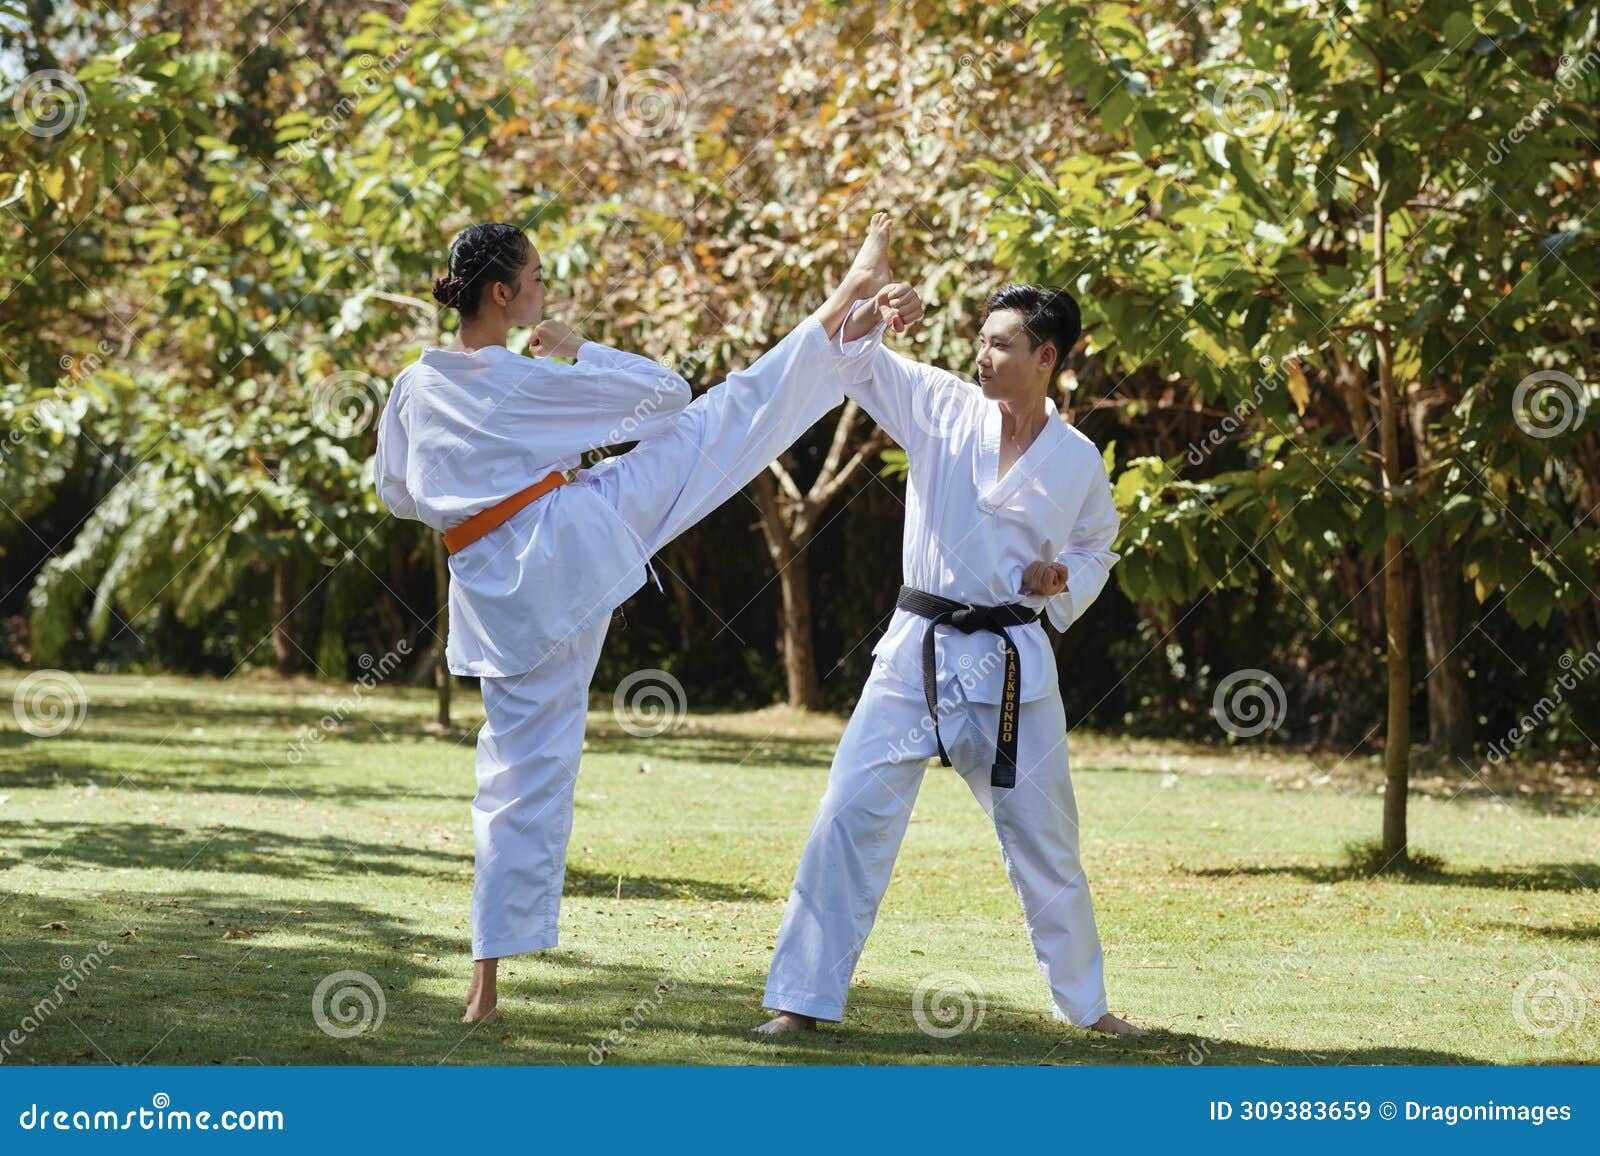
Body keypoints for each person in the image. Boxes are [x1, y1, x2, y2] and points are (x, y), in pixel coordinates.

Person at [375, 214, 900, 1022]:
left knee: (512, 781)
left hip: (489, 589)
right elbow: (667, 395)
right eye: (538, 278)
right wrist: (578, 348)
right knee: (713, 423)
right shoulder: (523, 378)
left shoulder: (415, 385)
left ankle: (484, 990)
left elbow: (400, 492)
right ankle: (843, 317)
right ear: (505, 293)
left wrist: (500, 489)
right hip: (570, 544)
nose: (547, 290)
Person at [756, 282, 1147, 1037]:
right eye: (981, 340)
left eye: (1002, 344)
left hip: (1011, 669)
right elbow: (853, 357)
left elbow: (1096, 544)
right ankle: (801, 1001)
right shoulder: (940, 404)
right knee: (847, 818)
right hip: (915, 659)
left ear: (1046, 357)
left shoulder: (1076, 460)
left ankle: (1088, 1008)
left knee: (1046, 843)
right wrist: (878, 310)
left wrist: (1061, 578)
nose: (984, 355)